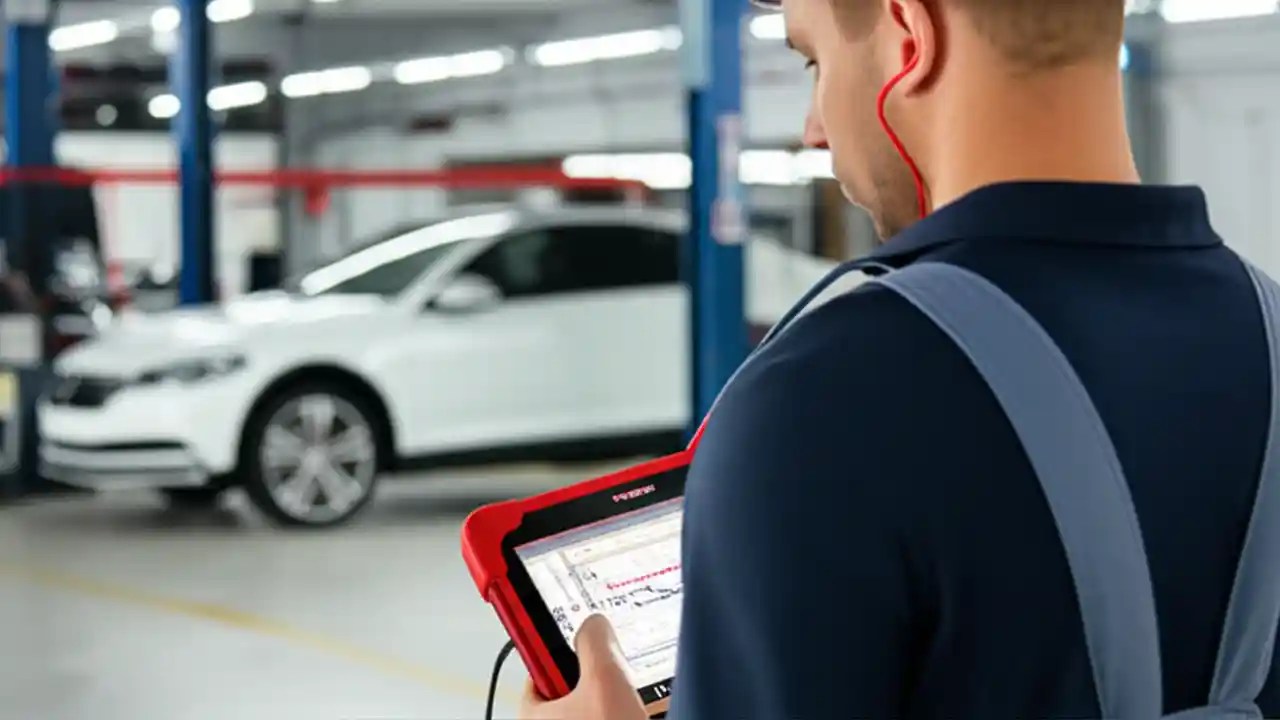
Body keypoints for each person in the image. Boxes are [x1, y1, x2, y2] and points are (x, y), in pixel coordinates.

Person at [522, 0, 1280, 717]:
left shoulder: (817, 405)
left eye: (815, 62)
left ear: (909, 35)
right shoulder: (1269, 330)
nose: (815, 131)